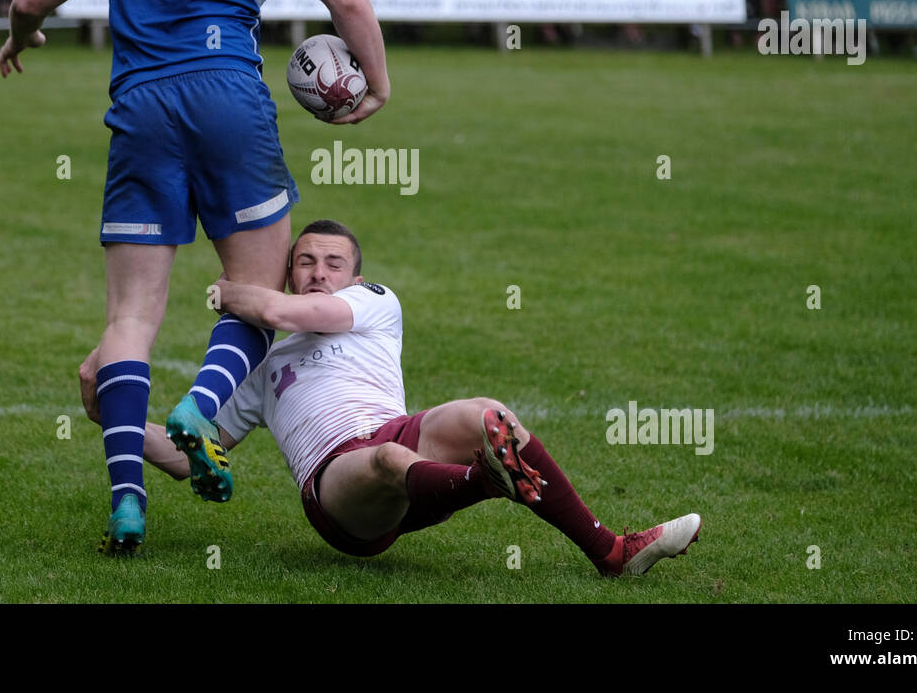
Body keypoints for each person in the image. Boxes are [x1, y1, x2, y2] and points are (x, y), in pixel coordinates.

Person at [0, 0, 390, 555]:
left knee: (131, 318)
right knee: (254, 292)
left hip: (140, 108)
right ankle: (200, 409)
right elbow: (349, 0)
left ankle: (126, 501)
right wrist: (379, 83)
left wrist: (22, 36)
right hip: (228, 100)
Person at [79, 219, 702, 574]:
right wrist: (114, 414)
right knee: (383, 463)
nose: (318, 272)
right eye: (304, 262)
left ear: (353, 276)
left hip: (402, 431)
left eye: (332, 263)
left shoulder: (373, 303)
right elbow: (192, 459)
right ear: (289, 270)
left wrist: (226, 292)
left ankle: (612, 552)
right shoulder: (257, 364)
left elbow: (270, 306)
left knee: (493, 417)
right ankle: (484, 483)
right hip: (335, 486)